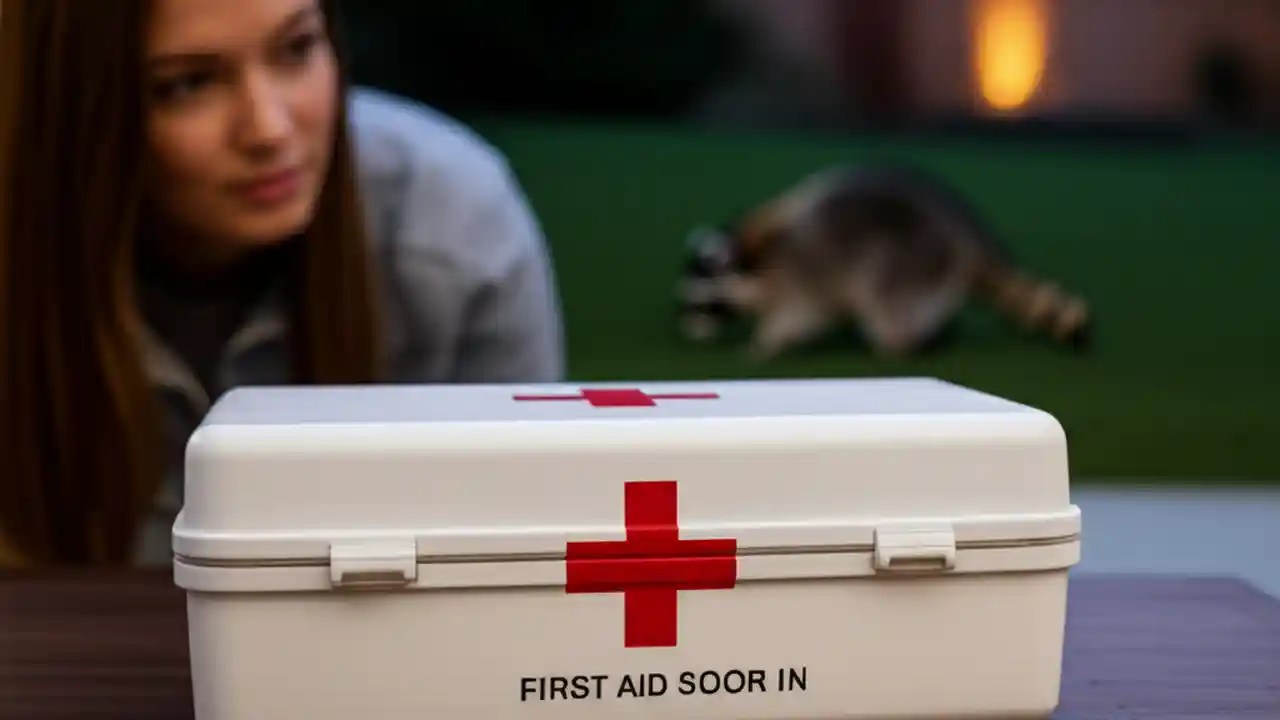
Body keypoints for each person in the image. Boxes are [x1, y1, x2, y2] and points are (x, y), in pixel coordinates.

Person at [0, 0, 565, 567]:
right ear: (72, 106)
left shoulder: (448, 224)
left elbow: (522, 547)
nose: (268, 129)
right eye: (188, 84)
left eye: (296, 49)